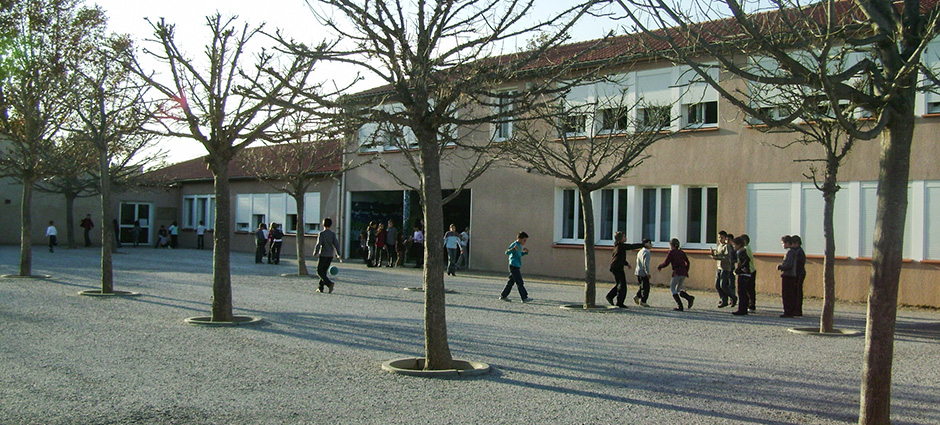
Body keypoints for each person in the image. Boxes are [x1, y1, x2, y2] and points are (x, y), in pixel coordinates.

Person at [605, 232, 645, 308]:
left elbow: (620, 257)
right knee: (622, 285)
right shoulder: (621, 246)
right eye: (624, 236)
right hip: (617, 267)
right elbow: (631, 246)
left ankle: (610, 296)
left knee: (620, 284)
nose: (625, 237)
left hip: (616, 267)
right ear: (620, 238)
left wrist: (626, 264)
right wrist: (643, 245)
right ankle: (619, 302)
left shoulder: (618, 246)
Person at [658, 238, 694, 311]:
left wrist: (660, 266)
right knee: (678, 289)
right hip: (684, 272)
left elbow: (666, 263)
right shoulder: (681, 252)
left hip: (677, 271)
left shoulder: (671, 252)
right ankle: (689, 298)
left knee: (672, 289)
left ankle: (680, 306)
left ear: (671, 245)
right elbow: (687, 262)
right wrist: (686, 270)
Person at [778, 235, 806, 317]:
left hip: (792, 275)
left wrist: (781, 267)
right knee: (793, 293)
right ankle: (793, 310)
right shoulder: (794, 251)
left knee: (790, 294)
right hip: (794, 274)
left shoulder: (792, 252)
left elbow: (791, 264)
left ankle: (791, 311)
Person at [499, 231, 532, 302]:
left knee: (511, 282)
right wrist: (512, 249)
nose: (525, 242)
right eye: (524, 240)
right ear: (519, 239)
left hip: (517, 265)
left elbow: (518, 255)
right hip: (513, 265)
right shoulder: (515, 244)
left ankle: (503, 295)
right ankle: (524, 297)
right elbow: (507, 252)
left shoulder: (519, 246)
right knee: (519, 282)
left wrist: (525, 253)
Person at [313, 218, 343, 293]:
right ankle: (320, 288)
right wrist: (338, 254)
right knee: (324, 271)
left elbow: (318, 244)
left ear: (323, 224)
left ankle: (329, 283)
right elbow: (336, 244)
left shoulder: (322, 234)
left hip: (323, 254)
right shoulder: (332, 234)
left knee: (319, 271)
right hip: (330, 255)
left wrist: (315, 252)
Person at [710, 231, 737, 308]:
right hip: (719, 267)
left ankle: (733, 297)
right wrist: (713, 254)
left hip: (726, 268)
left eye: (722, 238)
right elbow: (718, 254)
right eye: (719, 237)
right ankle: (724, 299)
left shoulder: (727, 246)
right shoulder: (719, 246)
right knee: (717, 285)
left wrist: (718, 257)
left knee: (723, 285)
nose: (720, 239)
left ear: (725, 238)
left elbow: (727, 257)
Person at [731, 236, 753, 316]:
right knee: (744, 292)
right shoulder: (742, 251)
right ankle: (744, 308)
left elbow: (746, 260)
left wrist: (739, 269)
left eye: (735, 245)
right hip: (746, 273)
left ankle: (742, 309)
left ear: (739, 245)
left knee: (741, 292)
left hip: (744, 274)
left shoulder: (741, 252)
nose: (734, 247)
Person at [634, 239, 653, 306]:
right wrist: (647, 273)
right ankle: (643, 301)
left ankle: (637, 296)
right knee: (646, 287)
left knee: (642, 286)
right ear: (647, 243)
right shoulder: (647, 252)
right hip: (643, 272)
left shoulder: (640, 251)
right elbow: (645, 263)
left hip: (638, 271)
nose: (651, 245)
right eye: (650, 243)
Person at [742, 234, 758, 311]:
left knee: (749, 289)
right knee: (750, 289)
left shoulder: (745, 249)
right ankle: (750, 304)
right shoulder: (747, 247)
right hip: (751, 270)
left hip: (750, 270)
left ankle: (751, 305)